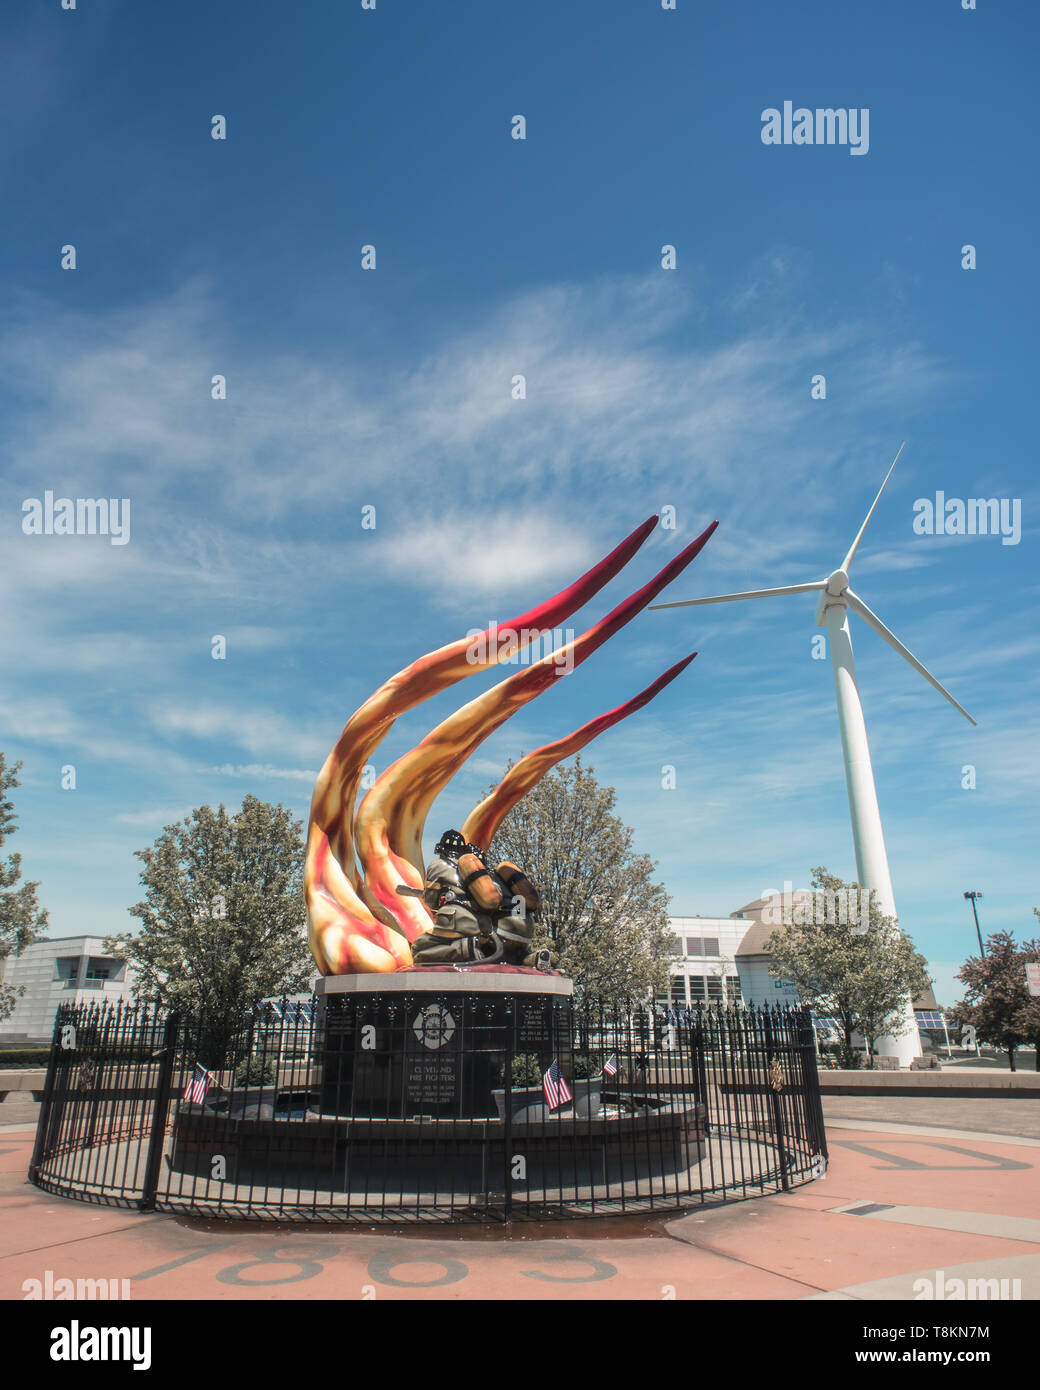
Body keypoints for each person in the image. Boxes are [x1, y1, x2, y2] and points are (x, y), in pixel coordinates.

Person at [410, 829, 552, 970]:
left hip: (470, 925)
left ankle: (466, 948)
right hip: (523, 928)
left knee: (418, 948)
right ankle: (530, 958)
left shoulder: (440, 865)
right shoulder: (495, 878)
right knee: (511, 954)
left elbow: (431, 900)